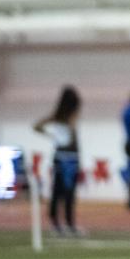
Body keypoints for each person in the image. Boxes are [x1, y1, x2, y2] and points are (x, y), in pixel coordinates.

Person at [33, 86, 83, 237]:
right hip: (66, 157)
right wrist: (53, 134)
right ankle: (62, 223)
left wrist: (52, 134)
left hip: (64, 156)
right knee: (63, 191)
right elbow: (38, 126)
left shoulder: (59, 116)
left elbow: (38, 126)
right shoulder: (65, 117)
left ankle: (64, 222)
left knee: (62, 191)